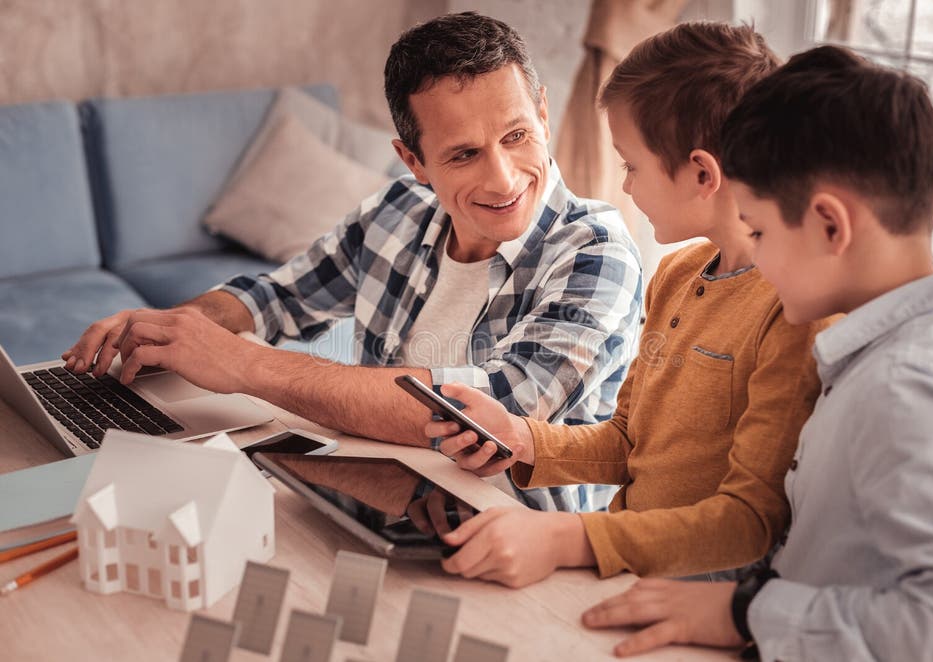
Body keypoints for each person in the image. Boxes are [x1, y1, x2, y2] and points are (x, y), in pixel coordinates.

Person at [60, 12, 644, 513]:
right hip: (366, 497)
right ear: (413, 160)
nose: (502, 177)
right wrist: (170, 327)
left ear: (542, 113)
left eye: (516, 135)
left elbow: (494, 413)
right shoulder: (397, 210)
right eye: (464, 153)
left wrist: (243, 365)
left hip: (512, 539)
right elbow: (275, 299)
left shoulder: (596, 251)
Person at [581, 46, 933, 660]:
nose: (759, 258)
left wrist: (746, 611)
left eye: (762, 231)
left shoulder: (909, 387)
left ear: (830, 225)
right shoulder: (882, 363)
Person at [426, 23, 833, 588]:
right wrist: (520, 436)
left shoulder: (792, 309)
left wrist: (570, 540)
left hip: (697, 605)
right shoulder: (677, 274)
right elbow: (627, 441)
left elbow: (748, 522)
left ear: (701, 173)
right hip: (627, 570)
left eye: (631, 166)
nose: (628, 188)